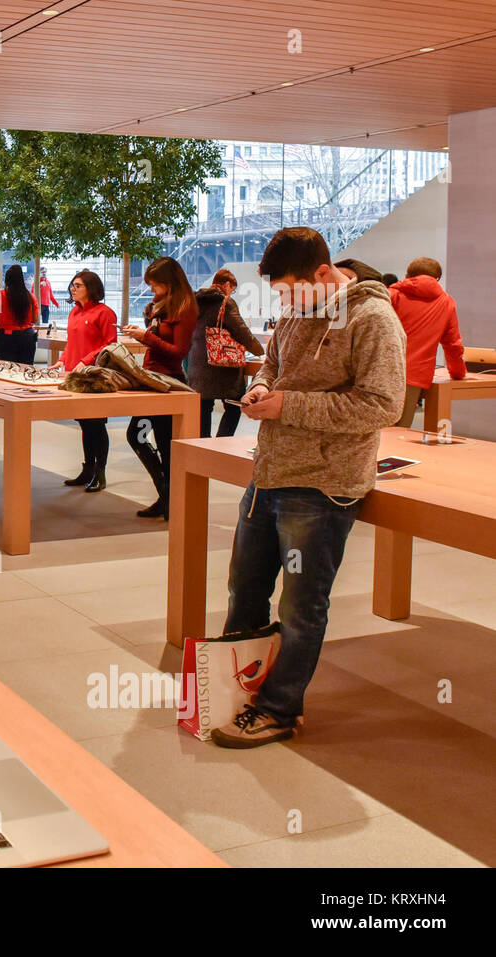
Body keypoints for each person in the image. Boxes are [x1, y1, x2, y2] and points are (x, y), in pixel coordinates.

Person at [213, 226, 404, 748]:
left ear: (323, 273)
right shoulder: (300, 306)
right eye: (279, 293)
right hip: (269, 471)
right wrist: (260, 386)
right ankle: (232, 691)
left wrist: (286, 406)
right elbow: (274, 363)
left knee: (300, 606)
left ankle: (279, 709)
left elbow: (382, 405)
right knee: (244, 587)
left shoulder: (372, 318)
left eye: (290, 290)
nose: (286, 302)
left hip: (322, 485)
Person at [122, 257, 196, 518]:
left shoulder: (185, 308)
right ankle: (166, 494)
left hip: (168, 384)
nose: (152, 290)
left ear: (169, 282)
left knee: (165, 445)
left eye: (155, 285)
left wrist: (146, 337)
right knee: (137, 436)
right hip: (152, 381)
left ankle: (169, 498)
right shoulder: (160, 306)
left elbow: (178, 352)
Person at [47, 270, 118, 492]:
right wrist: (62, 360)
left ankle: (100, 473)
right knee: (84, 424)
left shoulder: (104, 313)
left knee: (96, 424)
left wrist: (86, 360)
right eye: (73, 285)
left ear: (91, 288)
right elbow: (71, 343)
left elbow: (110, 344)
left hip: (94, 376)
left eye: (78, 285)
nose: (73, 288)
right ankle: (87, 469)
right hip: (75, 375)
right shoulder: (74, 312)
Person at [388, 257, 466, 428]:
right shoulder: (446, 302)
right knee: (398, 435)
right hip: (414, 376)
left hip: (380, 371)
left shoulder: (392, 295)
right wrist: (458, 372)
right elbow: (453, 344)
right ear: (438, 278)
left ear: (407, 275)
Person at [188, 268, 265, 437]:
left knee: (203, 409)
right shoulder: (225, 302)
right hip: (221, 367)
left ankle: (204, 447)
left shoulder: (194, 301)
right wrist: (259, 351)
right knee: (235, 405)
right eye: (233, 289)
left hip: (197, 366)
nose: (232, 292)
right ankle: (221, 443)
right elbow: (241, 331)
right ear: (227, 285)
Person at [0, 264, 39, 364]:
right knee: (26, 371)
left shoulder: (0, 295)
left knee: (5, 371)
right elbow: (35, 319)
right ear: (22, 279)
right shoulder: (31, 297)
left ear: (7, 280)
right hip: (27, 337)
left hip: (6, 337)